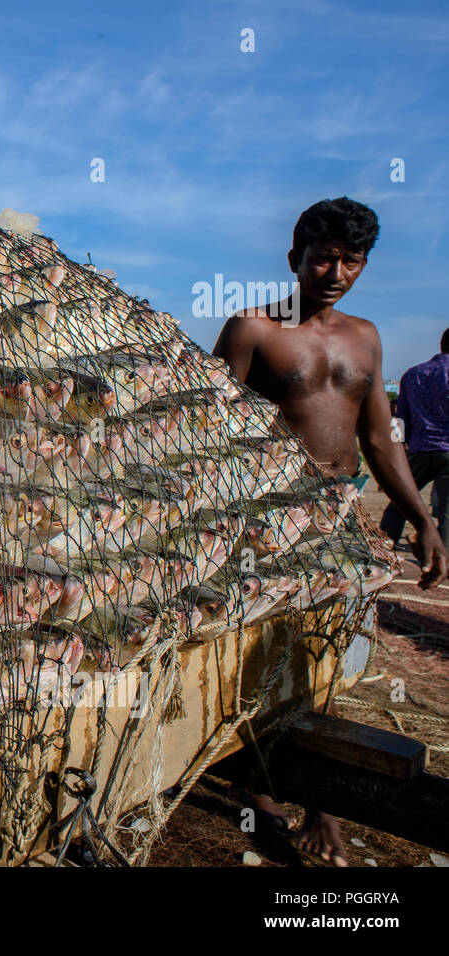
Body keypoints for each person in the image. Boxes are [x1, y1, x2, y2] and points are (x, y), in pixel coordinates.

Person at [213, 196, 449, 868]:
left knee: (333, 655)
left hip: (341, 513)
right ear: (295, 260)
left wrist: (424, 522)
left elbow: (379, 437)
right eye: (323, 257)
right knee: (260, 648)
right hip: (269, 515)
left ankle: (321, 799)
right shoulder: (252, 330)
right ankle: (259, 783)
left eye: (351, 259)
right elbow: (210, 432)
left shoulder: (365, 337)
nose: (336, 270)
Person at [379, 330, 449, 547]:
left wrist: (397, 446)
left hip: (420, 448)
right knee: (447, 512)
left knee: (401, 503)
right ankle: (444, 561)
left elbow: (399, 416)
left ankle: (382, 547)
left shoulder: (413, 374)